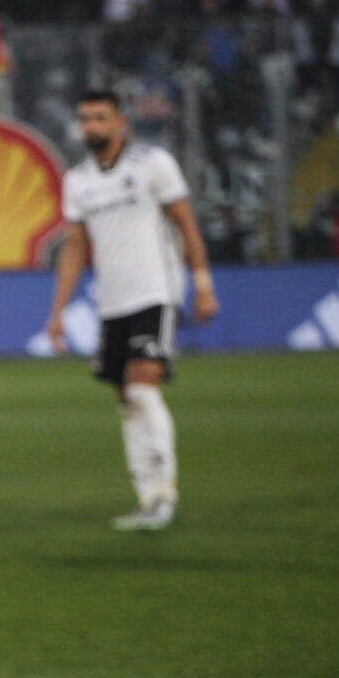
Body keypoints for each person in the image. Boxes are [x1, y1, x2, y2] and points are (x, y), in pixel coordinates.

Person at [44, 89, 218, 530]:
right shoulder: (78, 180)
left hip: (155, 292)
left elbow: (186, 224)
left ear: (120, 122)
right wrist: (58, 311)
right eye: (85, 119)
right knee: (125, 398)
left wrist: (203, 285)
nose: (91, 127)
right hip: (111, 300)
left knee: (142, 387)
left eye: (100, 118)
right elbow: (75, 248)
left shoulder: (152, 165)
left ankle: (165, 496)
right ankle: (147, 497)